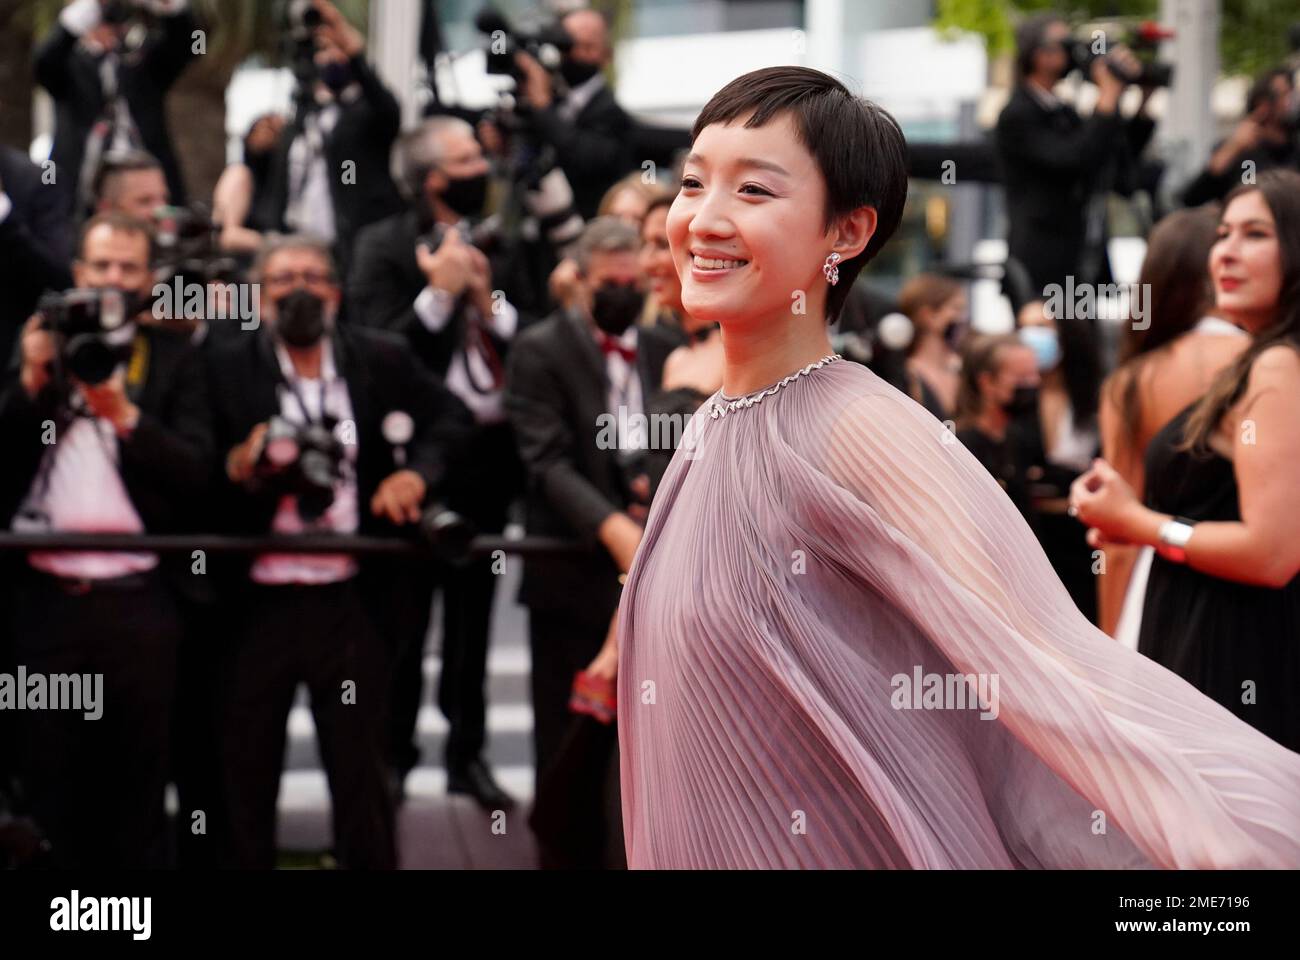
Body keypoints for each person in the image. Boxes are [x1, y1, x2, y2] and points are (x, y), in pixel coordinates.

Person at [617, 65, 1300, 870]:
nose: (703, 219)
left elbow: (1038, 665)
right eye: (693, 182)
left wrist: (1220, 855)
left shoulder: (860, 428)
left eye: (755, 192)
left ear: (847, 233)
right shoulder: (708, 427)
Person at [206, 235, 472, 869]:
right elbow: (194, 465)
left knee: (362, 777)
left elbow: (453, 419)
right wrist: (239, 465)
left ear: (335, 291)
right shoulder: (224, 364)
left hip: (353, 598)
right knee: (243, 776)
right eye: (282, 279)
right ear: (259, 295)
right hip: (253, 602)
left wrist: (418, 476)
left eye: (313, 277)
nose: (299, 290)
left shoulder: (378, 356)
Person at [0, 212, 213, 868]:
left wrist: (127, 418)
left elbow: (199, 476)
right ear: (77, 272)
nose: (113, 279)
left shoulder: (176, 358)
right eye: (101, 266)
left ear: (149, 278)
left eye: (127, 267)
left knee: (138, 792)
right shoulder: (33, 345)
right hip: (45, 607)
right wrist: (32, 387)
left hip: (140, 610)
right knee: (49, 791)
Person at [1072, 170, 1300, 752]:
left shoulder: (1275, 368)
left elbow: (1272, 554)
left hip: (1229, 656)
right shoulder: (1260, 363)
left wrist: (1138, 522)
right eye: (1223, 234)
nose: (1226, 252)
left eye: (1255, 234)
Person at [348, 115, 528, 809]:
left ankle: (468, 756)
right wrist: (437, 295)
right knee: (401, 620)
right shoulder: (380, 246)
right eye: (465, 157)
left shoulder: (502, 245)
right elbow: (373, 350)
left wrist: (487, 297)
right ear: (432, 179)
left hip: (486, 461)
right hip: (411, 461)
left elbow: (527, 329)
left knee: (473, 621)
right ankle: (391, 759)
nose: (480, 164)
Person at [503, 216, 679, 868]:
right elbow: (546, 463)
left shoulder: (667, 348)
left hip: (656, 579)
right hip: (572, 582)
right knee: (569, 746)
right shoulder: (540, 349)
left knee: (649, 752)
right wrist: (615, 530)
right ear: (579, 279)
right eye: (611, 283)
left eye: (633, 282)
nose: (623, 292)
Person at [1095, 206, 1247, 643]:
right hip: (1264, 596)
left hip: (1158, 598)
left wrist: (1109, 652)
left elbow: (1118, 534)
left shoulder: (1131, 383)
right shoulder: (1275, 365)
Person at [995, 12, 1155, 296]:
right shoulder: (1018, 114)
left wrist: (1140, 100)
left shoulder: (1063, 111)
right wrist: (1106, 98)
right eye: (1063, 45)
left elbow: (1114, 160)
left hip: (1078, 260)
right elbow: (1072, 159)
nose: (1073, 54)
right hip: (1039, 265)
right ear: (1038, 55)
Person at [250, 0, 404, 276]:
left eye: (335, 51)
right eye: (321, 51)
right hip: (300, 245)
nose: (328, 58)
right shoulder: (303, 116)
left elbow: (387, 108)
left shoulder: (364, 115)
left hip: (352, 247)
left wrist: (353, 51)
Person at [35, 0, 198, 219]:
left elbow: (192, 45)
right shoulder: (67, 65)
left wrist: (169, 7)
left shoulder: (143, 62)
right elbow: (43, 61)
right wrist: (82, 14)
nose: (109, 25)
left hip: (144, 178)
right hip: (79, 186)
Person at [510, 7, 634, 221]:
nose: (574, 54)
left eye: (587, 46)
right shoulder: (552, 98)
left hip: (588, 227)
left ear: (606, 55)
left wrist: (542, 106)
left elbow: (584, 158)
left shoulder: (610, 112)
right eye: (567, 45)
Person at [953, 334, 1040, 519]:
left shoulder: (1018, 436)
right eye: (1023, 377)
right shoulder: (962, 445)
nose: (1034, 384)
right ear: (987, 383)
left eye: (1035, 374)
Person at [898, 273, 966, 421]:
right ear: (927, 315)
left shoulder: (962, 368)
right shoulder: (908, 376)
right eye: (956, 309)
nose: (962, 318)